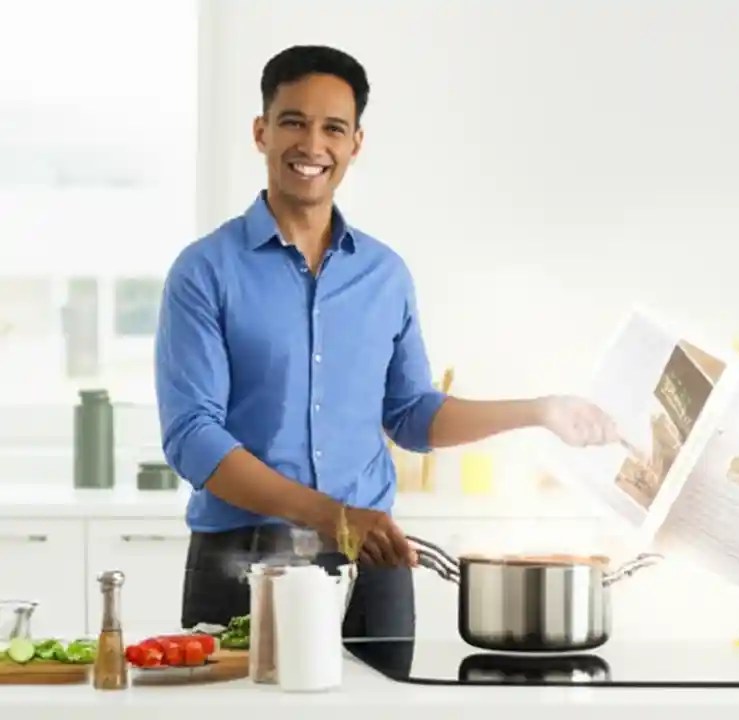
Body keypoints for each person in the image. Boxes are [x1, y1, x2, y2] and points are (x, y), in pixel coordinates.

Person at [154, 45, 621, 639]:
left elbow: (412, 415)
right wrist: (333, 517)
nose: (312, 145)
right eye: (294, 121)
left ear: (355, 144)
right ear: (261, 132)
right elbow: (193, 437)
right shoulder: (205, 272)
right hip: (242, 558)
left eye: (333, 128)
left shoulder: (384, 274)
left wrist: (541, 411)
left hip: (371, 560)